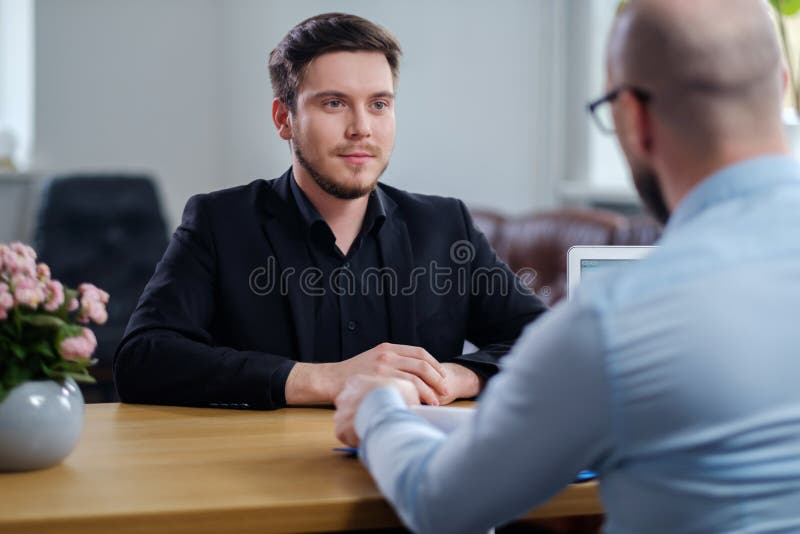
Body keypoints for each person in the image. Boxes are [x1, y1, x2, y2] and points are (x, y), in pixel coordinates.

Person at [333, 0, 800, 532]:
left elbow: (440, 504)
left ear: (633, 118)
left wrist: (378, 409)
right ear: (780, 83)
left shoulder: (615, 322)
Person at [112, 13, 546, 410]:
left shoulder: (447, 226)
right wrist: (320, 380)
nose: (362, 127)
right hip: (262, 476)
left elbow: (541, 340)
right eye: (334, 103)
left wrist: (454, 376)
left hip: (404, 467)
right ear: (284, 119)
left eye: (379, 104)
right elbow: (143, 359)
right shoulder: (219, 222)